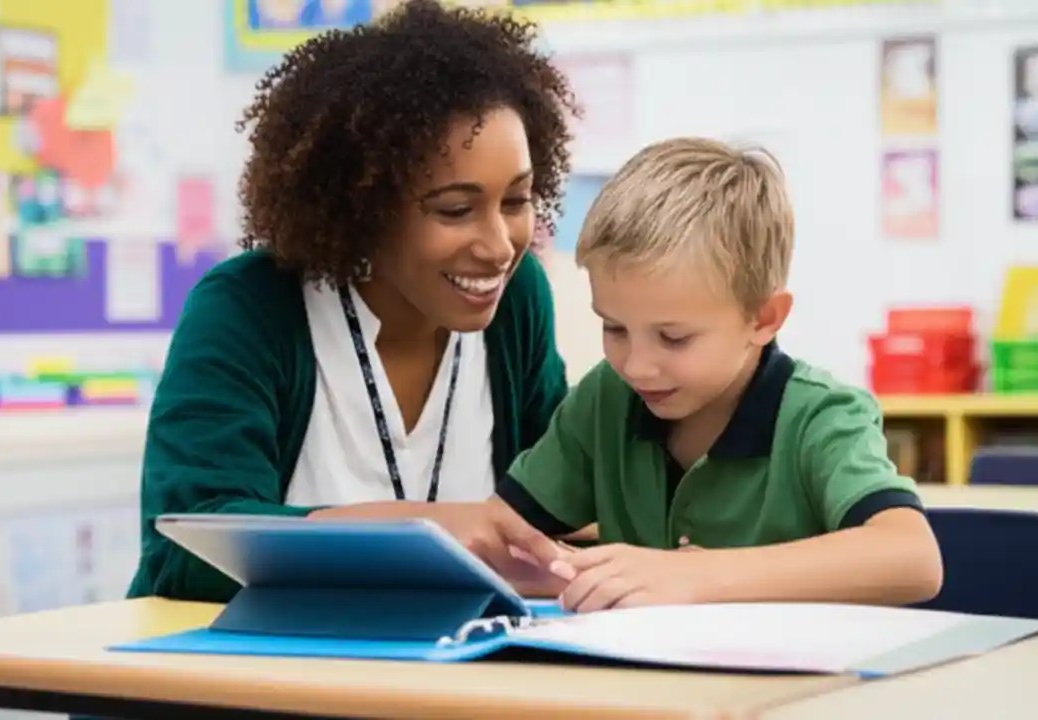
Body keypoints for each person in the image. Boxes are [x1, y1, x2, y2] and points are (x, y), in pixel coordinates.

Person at [128, 0, 579, 604]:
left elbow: (558, 502)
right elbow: (184, 549)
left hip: (443, 678)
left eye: (517, 201)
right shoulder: (249, 306)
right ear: (364, 209)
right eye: (455, 210)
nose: (499, 246)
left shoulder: (518, 301)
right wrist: (423, 529)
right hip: (257, 684)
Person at [492, 138, 945, 613]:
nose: (635, 366)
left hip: (802, 683)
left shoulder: (822, 417)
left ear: (764, 318)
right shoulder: (606, 398)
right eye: (614, 327)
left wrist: (695, 575)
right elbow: (503, 534)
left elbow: (915, 559)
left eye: (674, 338)